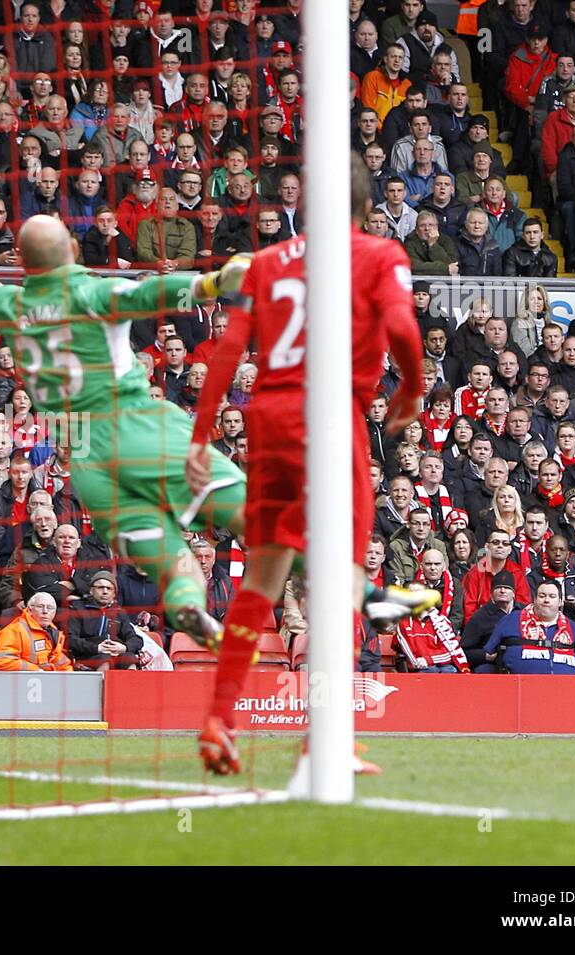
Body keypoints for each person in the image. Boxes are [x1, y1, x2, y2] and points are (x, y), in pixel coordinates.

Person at [0, 182, 249, 657]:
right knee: (243, 513)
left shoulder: (9, 305)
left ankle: (188, 601)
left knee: (169, 554)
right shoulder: (94, 292)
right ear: (73, 249)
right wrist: (210, 282)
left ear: (24, 265)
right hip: (136, 425)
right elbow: (152, 290)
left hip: (87, 456)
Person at [182, 154, 435, 774]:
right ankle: (328, 735)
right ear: (366, 206)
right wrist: (412, 389)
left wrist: (200, 436)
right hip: (330, 413)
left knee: (264, 574)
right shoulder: (378, 255)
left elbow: (229, 348)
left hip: (268, 415)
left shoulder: (267, 263)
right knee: (343, 578)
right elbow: (402, 324)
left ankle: (220, 717)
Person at [484, 578, 575, 674]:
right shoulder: (510, 620)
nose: (546, 600)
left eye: (552, 596)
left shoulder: (572, 627)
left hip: (564, 689)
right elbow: (490, 650)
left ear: (560, 602)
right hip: (518, 689)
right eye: (542, 596)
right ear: (534, 599)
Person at [0, 590, 71, 671]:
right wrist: (36, 670)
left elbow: (62, 664)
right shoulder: (15, 630)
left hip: (43, 681)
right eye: (40, 606)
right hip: (21, 682)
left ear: (54, 613)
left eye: (50, 608)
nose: (45, 611)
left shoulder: (53, 633)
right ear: (30, 610)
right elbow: (2, 661)